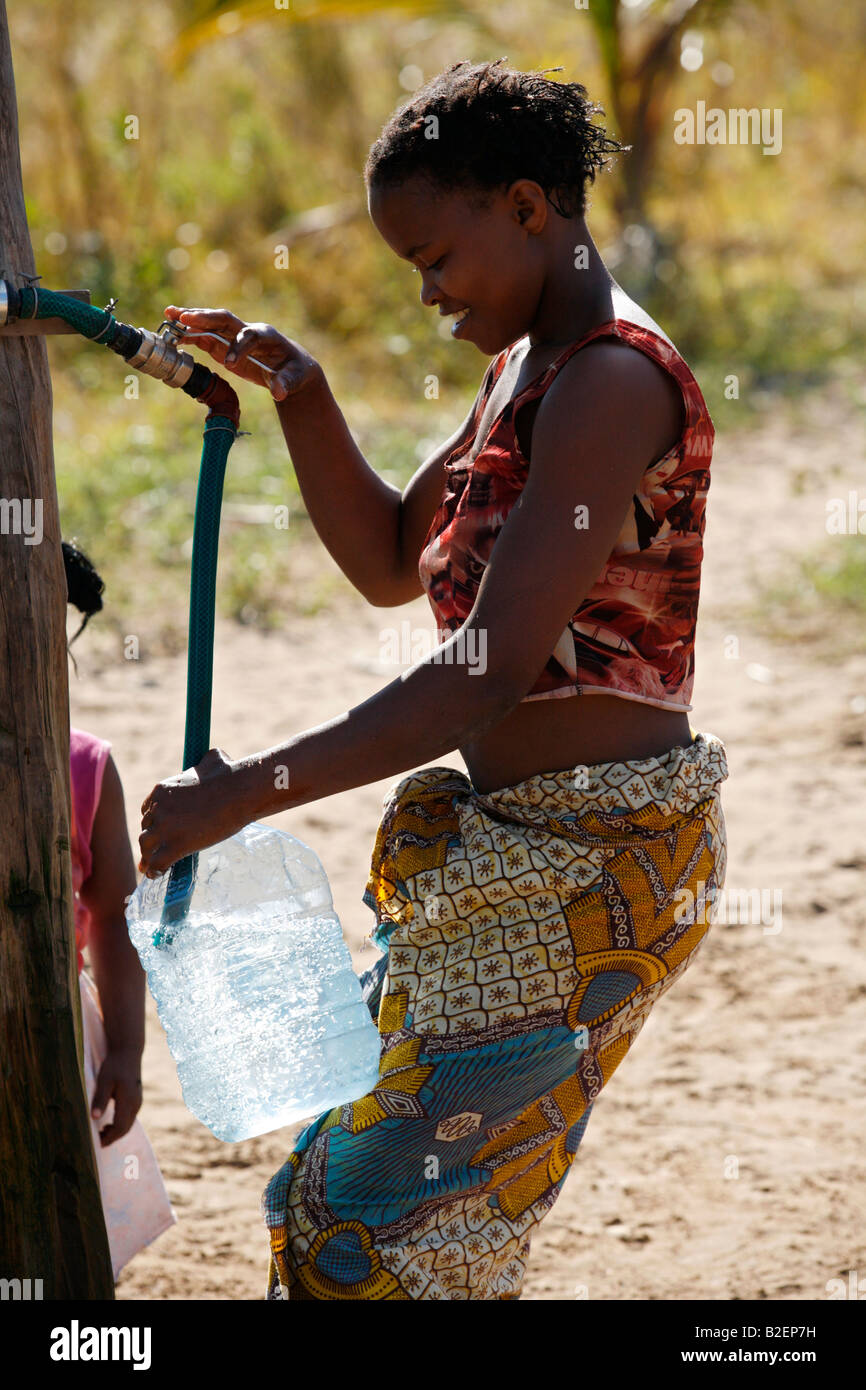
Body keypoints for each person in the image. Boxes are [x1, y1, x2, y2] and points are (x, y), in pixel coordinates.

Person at [137, 58, 729, 1300]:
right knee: (353, 1208)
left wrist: (247, 789)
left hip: (595, 867)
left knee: (380, 1233)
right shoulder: (521, 370)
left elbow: (482, 674)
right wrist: (300, 396)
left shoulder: (611, 382)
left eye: (433, 260)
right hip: (512, 852)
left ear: (527, 207)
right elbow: (392, 564)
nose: (423, 295)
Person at [65, 541, 175, 1280]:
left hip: (50, 1023)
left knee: (59, 1204)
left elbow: (110, 916)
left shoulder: (81, 766)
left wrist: (128, 1052)